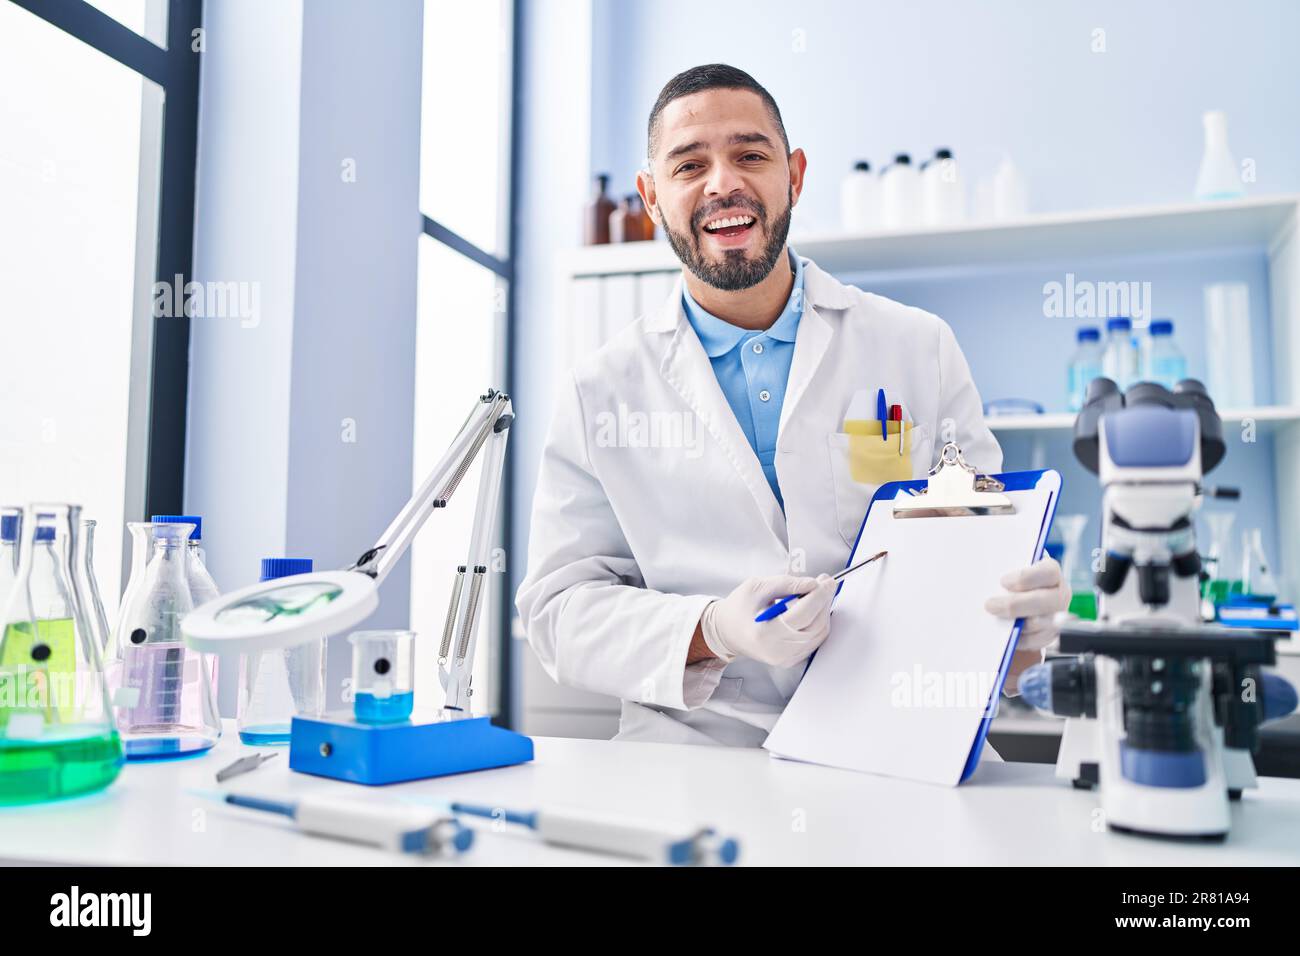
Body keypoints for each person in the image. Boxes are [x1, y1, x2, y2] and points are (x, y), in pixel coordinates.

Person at [517, 64, 1068, 746]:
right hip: (695, 753)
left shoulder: (916, 347)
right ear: (652, 197)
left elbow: (984, 541)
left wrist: (1020, 625)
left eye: (750, 155)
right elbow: (557, 609)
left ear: (795, 176)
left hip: (902, 739)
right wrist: (711, 630)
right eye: (690, 165)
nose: (723, 182)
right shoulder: (600, 390)